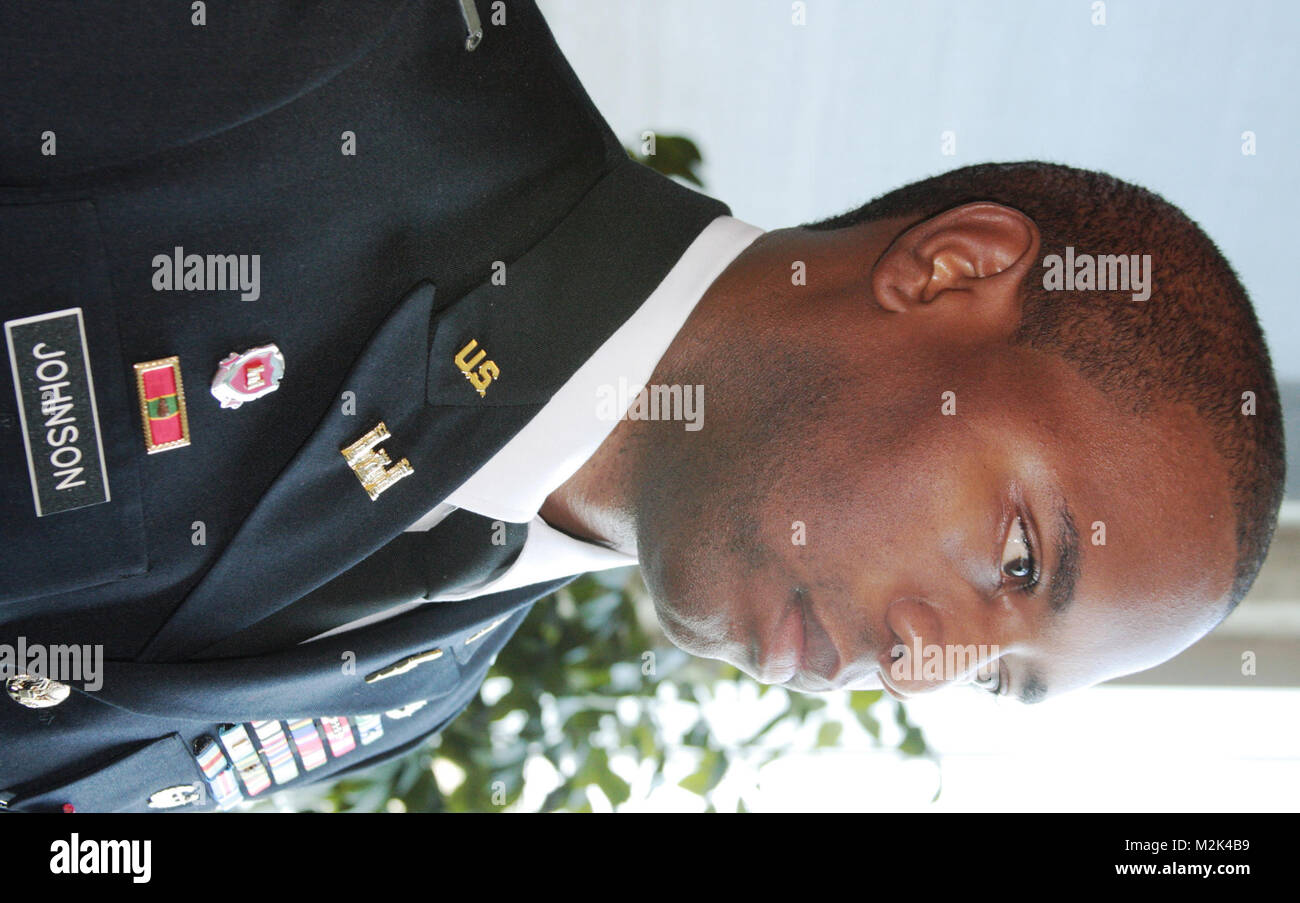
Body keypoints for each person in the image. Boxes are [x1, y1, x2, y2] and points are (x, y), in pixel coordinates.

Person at [0, 1, 1283, 812]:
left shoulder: (407, 693)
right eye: (1019, 558)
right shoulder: (342, 47)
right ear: (947, 271)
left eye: (998, 682)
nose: (921, 666)